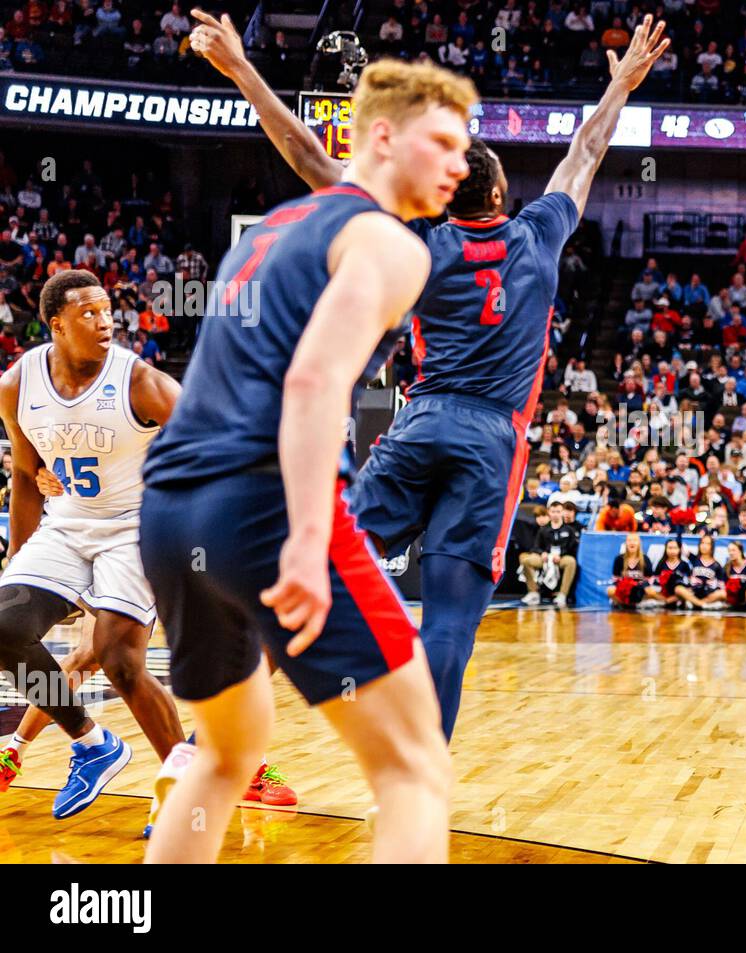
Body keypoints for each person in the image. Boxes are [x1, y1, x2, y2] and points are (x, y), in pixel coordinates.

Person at [190, 9, 669, 740]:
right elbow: (588, 146)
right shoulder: (540, 235)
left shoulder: (415, 239)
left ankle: (215, 729)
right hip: (491, 438)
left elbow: (312, 159)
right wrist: (623, 83)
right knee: (448, 623)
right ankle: (419, 778)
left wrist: (242, 71)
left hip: (420, 420)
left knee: (314, 561)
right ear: (505, 195)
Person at [137, 58, 475, 864]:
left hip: (171, 511)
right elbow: (315, 378)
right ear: (383, 135)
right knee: (414, 767)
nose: (461, 164)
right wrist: (305, 538)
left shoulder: (276, 227)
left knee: (226, 753)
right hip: (263, 503)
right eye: (444, 142)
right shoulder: (391, 245)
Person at [0, 270, 183, 821]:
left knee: (118, 658)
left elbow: (213, 446)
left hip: (136, 528)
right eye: (88, 313)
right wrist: (18, 566)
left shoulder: (141, 382)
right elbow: (28, 477)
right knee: (5, 626)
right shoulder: (17, 383)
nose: (106, 321)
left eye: (107, 311)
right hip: (68, 524)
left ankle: (183, 788)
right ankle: (91, 743)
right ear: (56, 324)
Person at [520, 499, 580, 607]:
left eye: (558, 511)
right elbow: (536, 547)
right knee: (526, 561)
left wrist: (561, 555)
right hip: (546, 558)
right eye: (553, 511)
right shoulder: (543, 530)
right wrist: (542, 553)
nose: (555, 514)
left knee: (571, 561)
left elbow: (572, 548)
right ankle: (533, 592)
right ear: (549, 512)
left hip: (561, 558)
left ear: (562, 512)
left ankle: (562, 595)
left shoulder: (569, 530)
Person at [674, 534, 727, 610]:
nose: (704, 546)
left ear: (712, 547)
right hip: (693, 592)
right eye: (702, 543)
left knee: (723, 594)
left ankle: (694, 603)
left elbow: (721, 585)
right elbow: (679, 544)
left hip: (708, 594)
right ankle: (701, 604)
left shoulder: (717, 565)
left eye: (707, 544)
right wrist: (680, 527)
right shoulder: (694, 558)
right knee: (678, 589)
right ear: (699, 545)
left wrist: (713, 590)